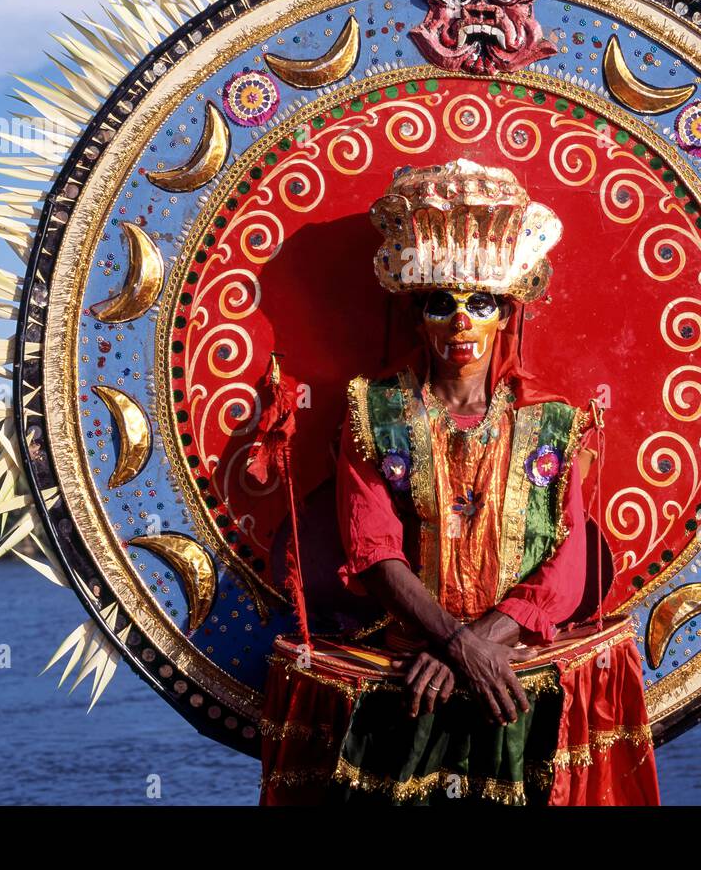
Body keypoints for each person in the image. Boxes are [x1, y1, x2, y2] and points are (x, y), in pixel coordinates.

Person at [259, 159, 660, 805]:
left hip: (516, 679)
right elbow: (373, 550)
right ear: (418, 316)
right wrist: (453, 642)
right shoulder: (373, 411)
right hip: (409, 674)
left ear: (505, 313)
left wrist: (475, 648)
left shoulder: (553, 421)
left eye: (481, 303)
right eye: (440, 303)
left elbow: (566, 567)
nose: (461, 322)